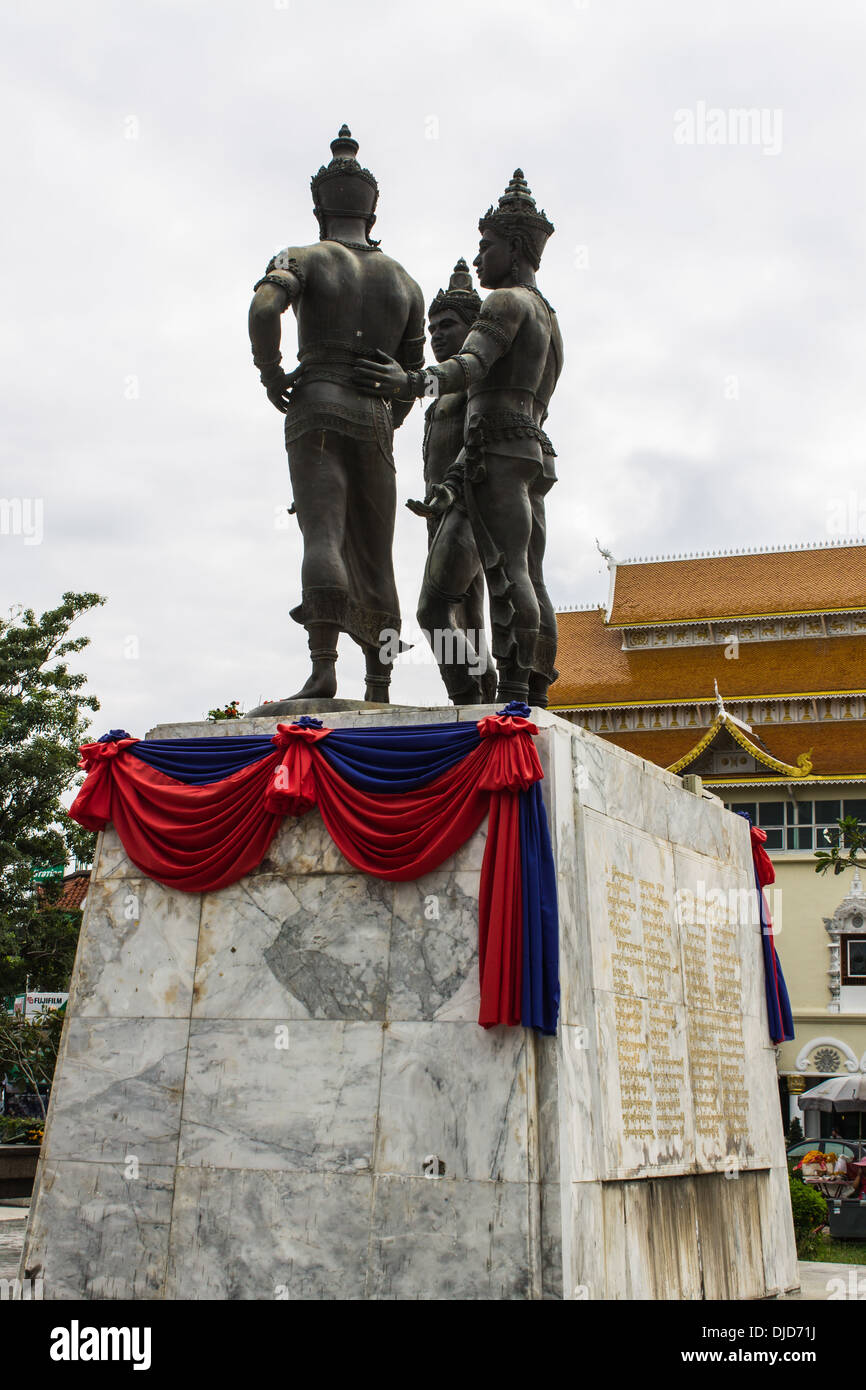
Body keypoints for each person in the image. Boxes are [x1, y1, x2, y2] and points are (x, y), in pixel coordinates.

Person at [356, 170, 563, 706]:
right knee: (530, 573)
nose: (479, 259)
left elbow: (469, 365)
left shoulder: (506, 303)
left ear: (515, 248)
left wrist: (412, 380)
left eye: (487, 246)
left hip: (494, 451)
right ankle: (531, 685)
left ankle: (489, 691)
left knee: (452, 598)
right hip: (531, 452)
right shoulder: (550, 318)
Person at [248, 126, 425, 702]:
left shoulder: (302, 256)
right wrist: (389, 414)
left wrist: (271, 370)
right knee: (378, 549)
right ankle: (379, 683)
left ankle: (323, 668)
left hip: (317, 400)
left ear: (321, 206)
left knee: (322, 532)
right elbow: (412, 375)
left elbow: (263, 305)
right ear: (371, 212)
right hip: (374, 416)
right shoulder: (404, 281)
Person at [408, 260, 495, 703]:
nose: (436, 335)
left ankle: (466, 694)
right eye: (432, 328)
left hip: (466, 503)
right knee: (469, 611)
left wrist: (451, 489)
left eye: (447, 325)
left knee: (434, 609)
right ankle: (483, 690)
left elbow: (477, 440)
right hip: (437, 512)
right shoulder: (440, 395)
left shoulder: (477, 386)